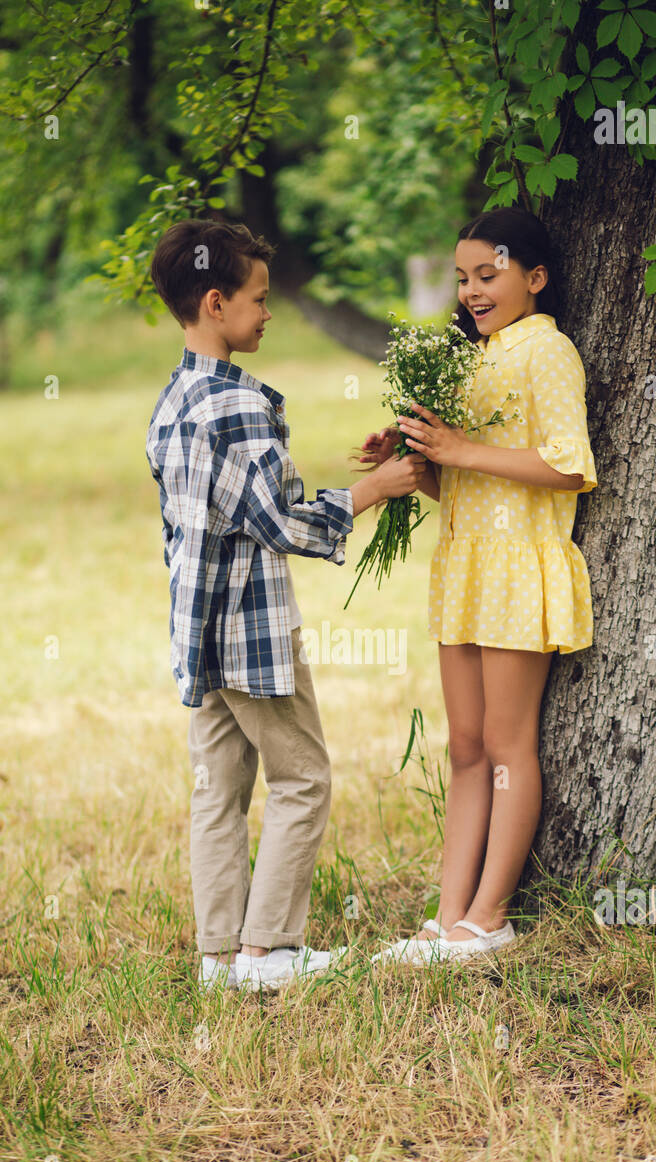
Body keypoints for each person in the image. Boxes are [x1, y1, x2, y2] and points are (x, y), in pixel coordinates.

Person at [145, 219, 425, 992]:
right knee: (303, 777)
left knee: (218, 789)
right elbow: (280, 521)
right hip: (253, 633)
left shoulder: (171, 401)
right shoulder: (236, 406)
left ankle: (218, 956)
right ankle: (268, 952)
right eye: (259, 298)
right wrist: (372, 490)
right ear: (214, 301)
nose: (268, 312)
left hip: (197, 630)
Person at [361, 209, 598, 967]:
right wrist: (418, 461)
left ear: (534, 277)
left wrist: (462, 447)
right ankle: (447, 916)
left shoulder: (549, 351)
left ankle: (491, 916)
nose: (471, 291)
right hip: (464, 565)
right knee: (464, 746)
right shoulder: (475, 359)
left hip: (518, 569)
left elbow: (569, 466)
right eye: (462, 278)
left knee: (504, 744)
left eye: (487, 276)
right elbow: (470, 487)